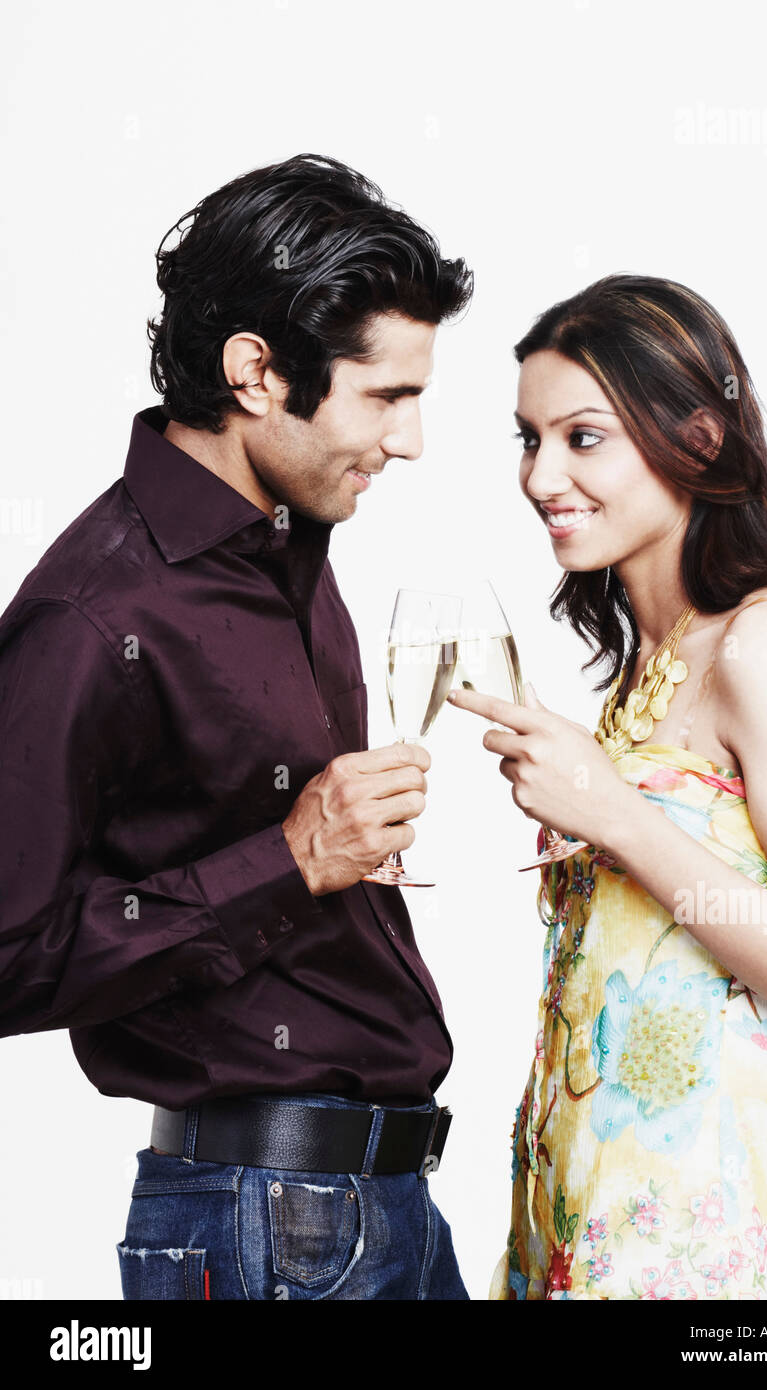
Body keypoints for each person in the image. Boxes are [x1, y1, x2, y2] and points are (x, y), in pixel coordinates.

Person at [0, 154, 474, 1300]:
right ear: (257, 373)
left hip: (382, 1207)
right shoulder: (93, 613)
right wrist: (290, 858)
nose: (408, 442)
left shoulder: (287, 548)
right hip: (265, 1223)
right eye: (386, 397)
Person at [447, 273, 767, 1300]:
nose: (542, 473)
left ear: (697, 441)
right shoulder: (641, 673)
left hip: (691, 1264)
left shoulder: (764, 640)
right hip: (568, 1224)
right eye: (527, 437)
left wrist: (616, 816)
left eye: (582, 436)